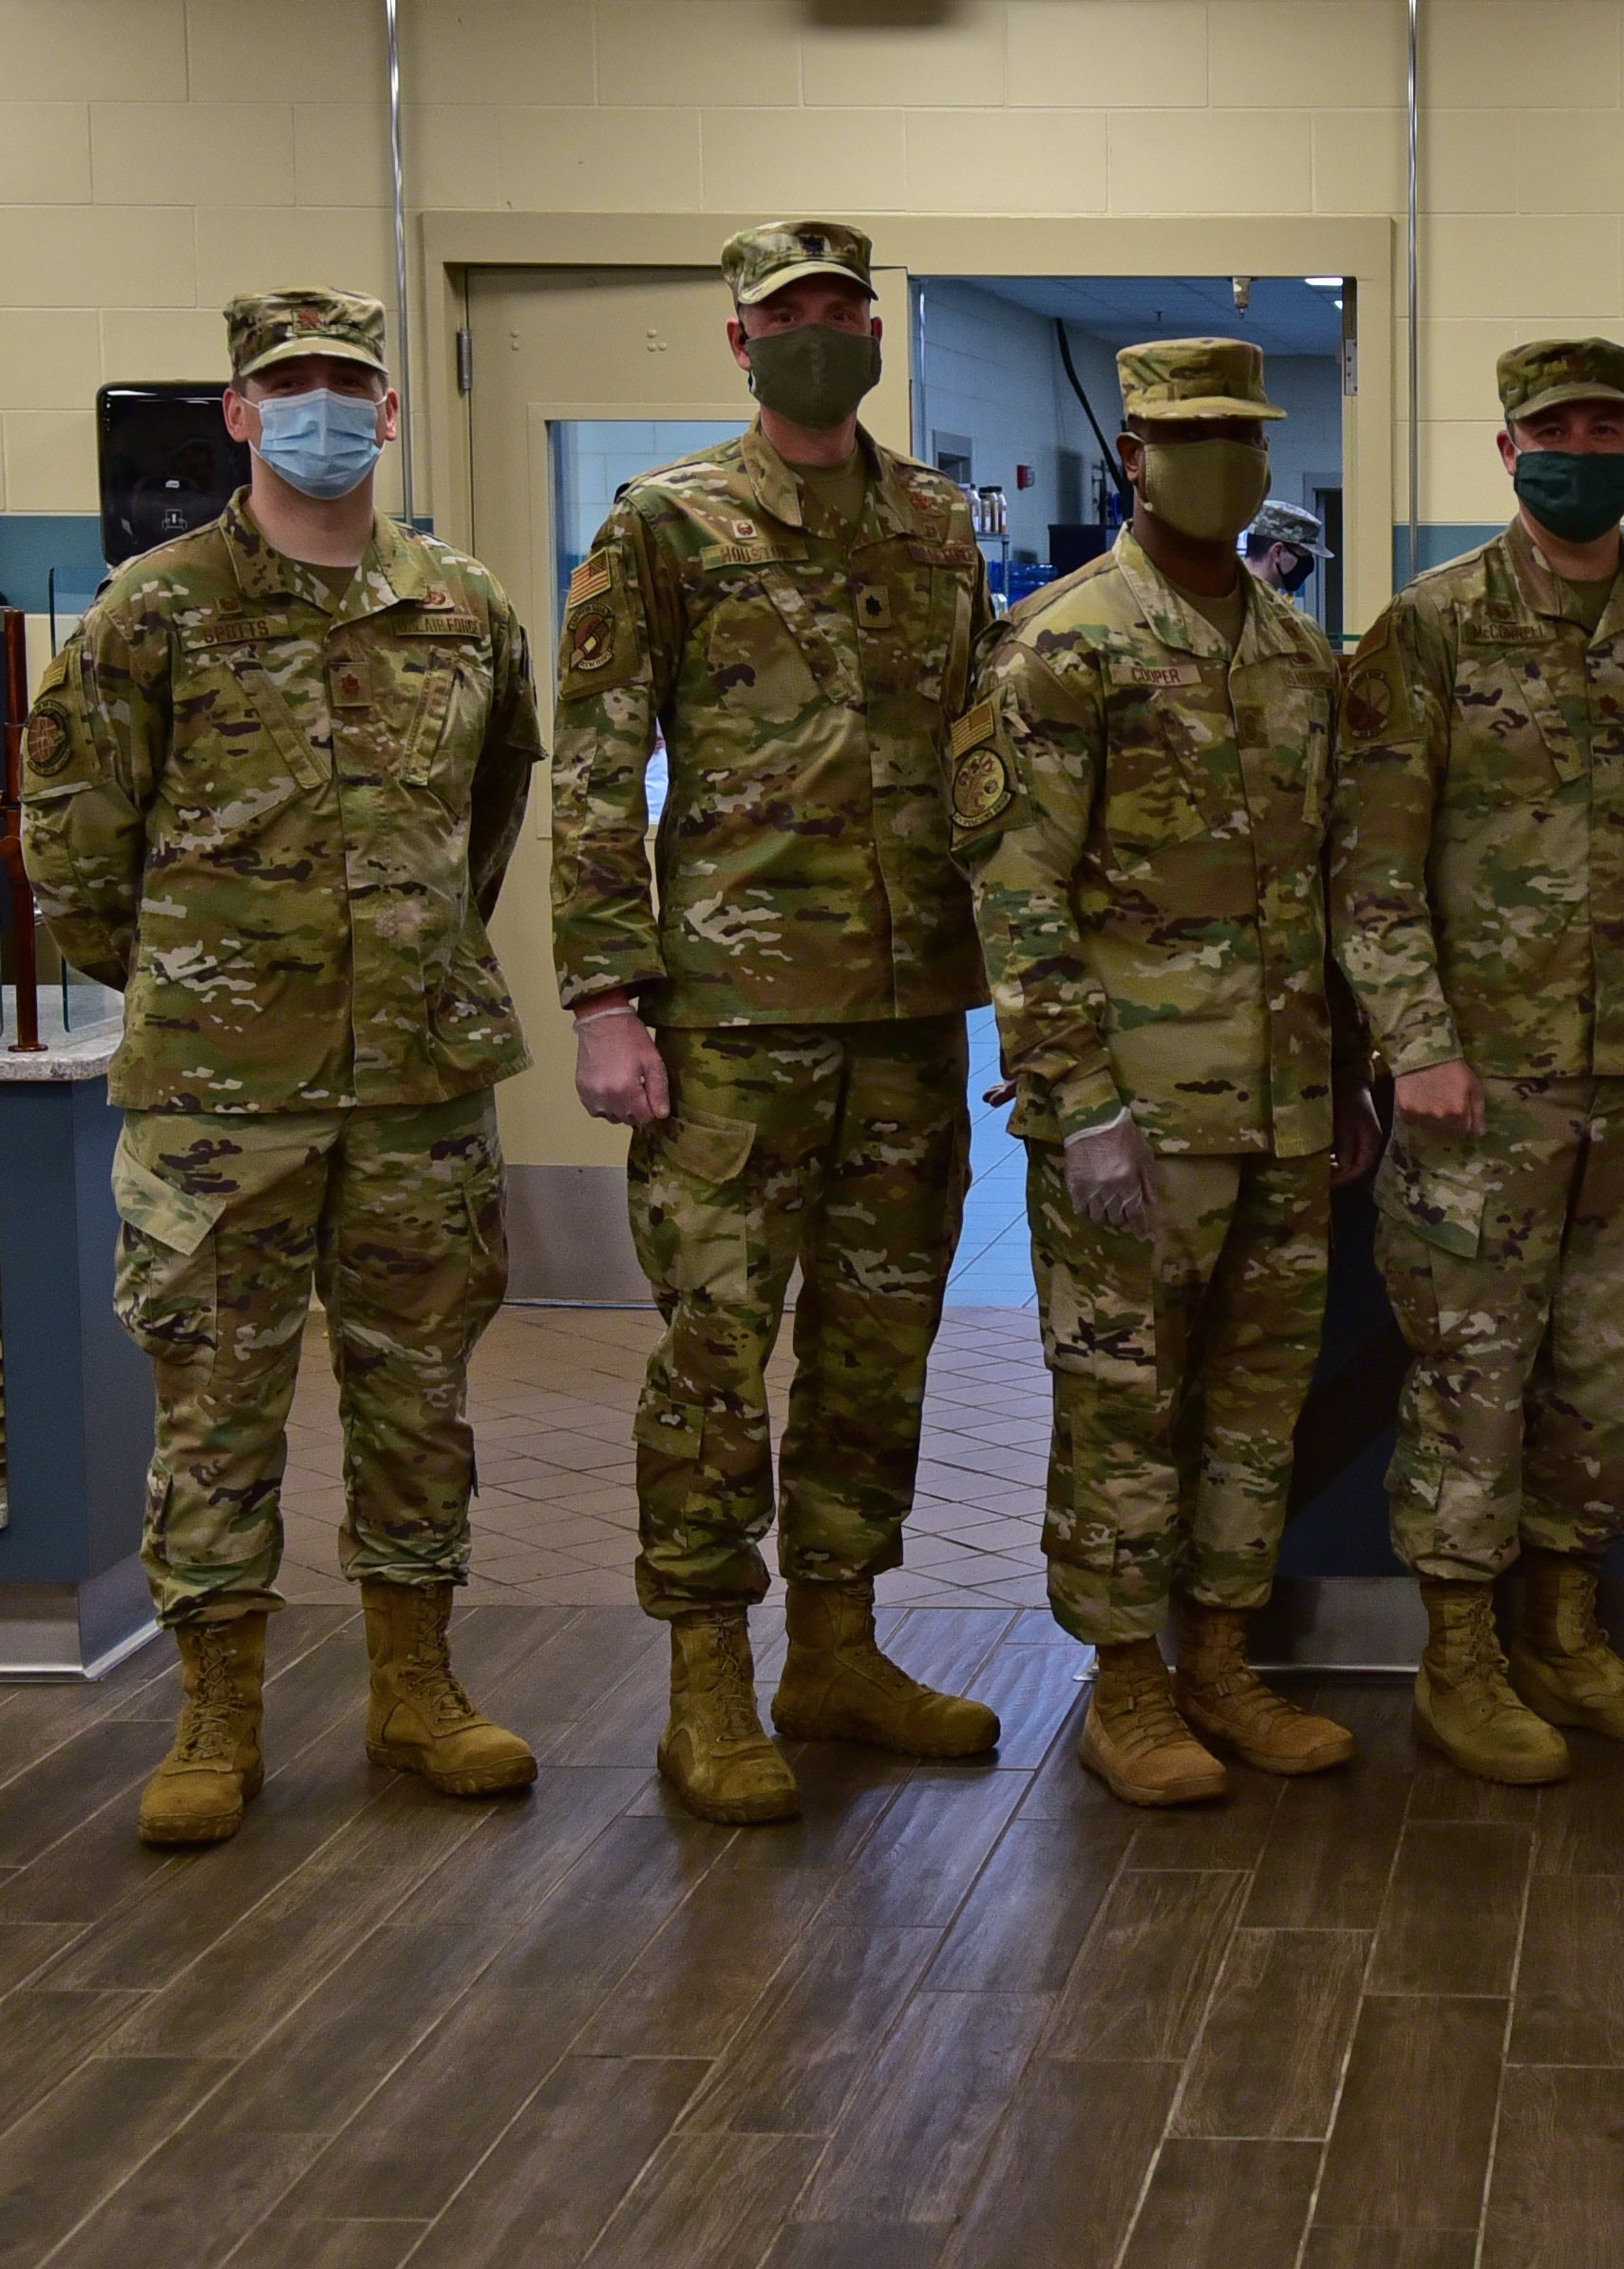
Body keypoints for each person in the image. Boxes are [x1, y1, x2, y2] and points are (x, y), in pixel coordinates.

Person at [24, 289, 542, 1845]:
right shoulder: (152, 611)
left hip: (417, 1084)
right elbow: (72, 848)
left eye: (347, 382)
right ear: (239, 413)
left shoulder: (464, 606)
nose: (322, 405)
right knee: (215, 1405)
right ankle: (216, 1714)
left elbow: (489, 815)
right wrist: (202, 984)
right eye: (288, 382)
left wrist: (406, 955)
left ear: (389, 411)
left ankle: (416, 1687)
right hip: (215, 1100)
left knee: (420, 1395)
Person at [551, 221, 999, 1825]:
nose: (820, 332)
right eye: (787, 312)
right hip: (731, 1019)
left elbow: (981, 754)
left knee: (879, 1347)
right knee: (713, 1358)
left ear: (875, 332)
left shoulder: (936, 522)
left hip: (909, 1007)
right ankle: (704, 1681)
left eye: (843, 309)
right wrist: (605, 999)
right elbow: (593, 767)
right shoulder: (663, 520)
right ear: (739, 341)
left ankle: (835, 1647)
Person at [1332, 338, 1624, 1784]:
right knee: (1472, 1370)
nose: (1582, 450)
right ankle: (1458, 1658)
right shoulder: (1431, 628)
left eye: (1606, 428)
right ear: (1508, 450)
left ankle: (1566, 1635)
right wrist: (1415, 1044)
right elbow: (1370, 864)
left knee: (1609, 1368)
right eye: (1554, 430)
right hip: (1482, 1083)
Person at [959, 338, 1380, 1807]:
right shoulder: (1062, 643)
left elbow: (1328, 885)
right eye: (1190, 435)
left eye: (1242, 435)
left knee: (1257, 1408)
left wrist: (1352, 1074)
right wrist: (1076, 1106)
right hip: (1135, 1112)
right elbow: (1017, 895)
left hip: (1286, 1106)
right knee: (1124, 1406)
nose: (1222, 460)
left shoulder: (1296, 652)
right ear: (1134, 455)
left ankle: (1221, 1661)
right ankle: (1124, 1683)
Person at [1242, 498, 1331, 613]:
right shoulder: (1245, 605)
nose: (1308, 564)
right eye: (1305, 553)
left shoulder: (1264, 602)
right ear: (1278, 552)